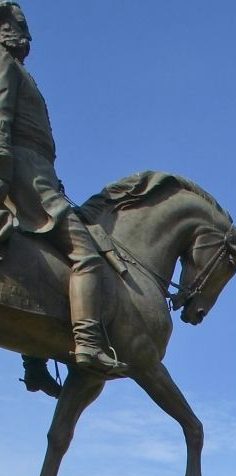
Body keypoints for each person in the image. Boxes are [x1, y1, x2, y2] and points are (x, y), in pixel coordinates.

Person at [0, 2, 124, 394]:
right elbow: (1, 122)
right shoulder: (4, 63)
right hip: (25, 175)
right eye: (18, 27)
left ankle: (34, 364)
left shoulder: (18, 69)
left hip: (38, 175)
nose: (26, 36)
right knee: (85, 255)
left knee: (42, 268)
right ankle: (88, 344)